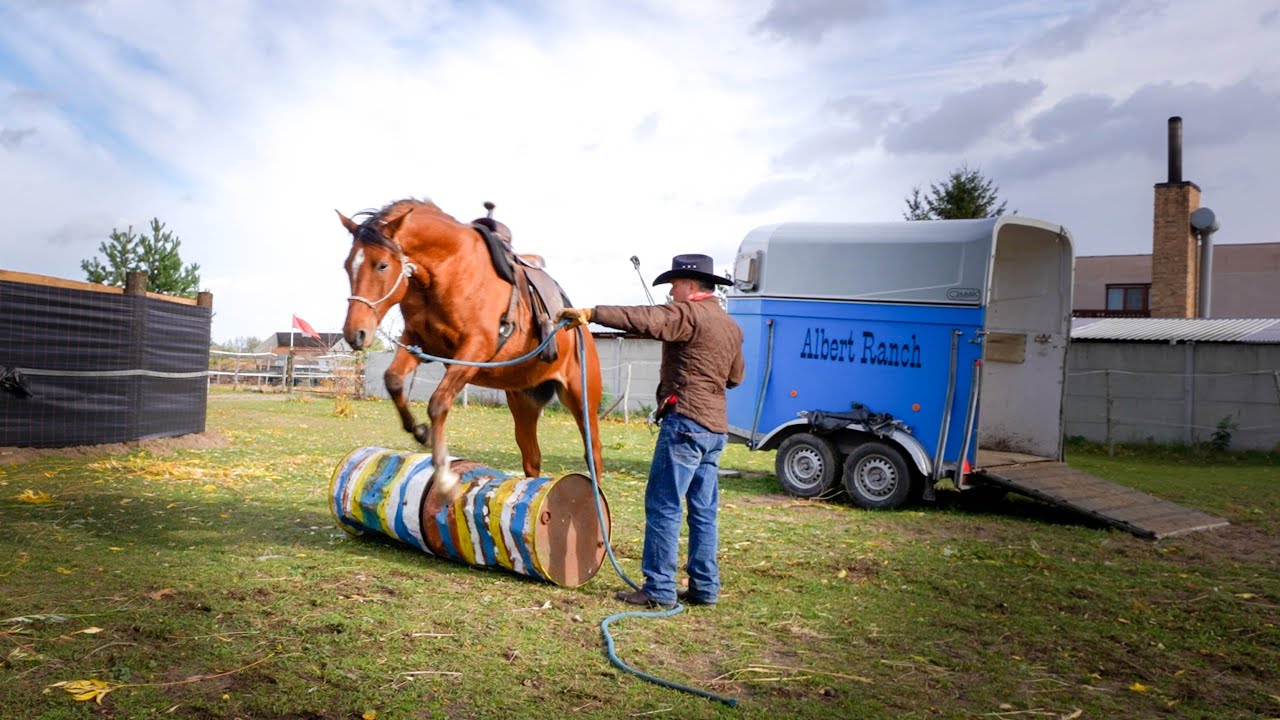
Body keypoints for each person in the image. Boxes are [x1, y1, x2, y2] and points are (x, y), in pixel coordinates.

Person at [558, 253, 745, 609]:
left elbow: (645, 319)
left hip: (686, 424)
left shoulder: (687, 314)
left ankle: (659, 588)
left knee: (664, 505)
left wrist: (591, 314)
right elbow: (736, 377)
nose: (671, 292)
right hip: (715, 430)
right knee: (703, 511)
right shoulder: (731, 326)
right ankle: (705, 588)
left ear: (690, 287)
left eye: (674, 285)